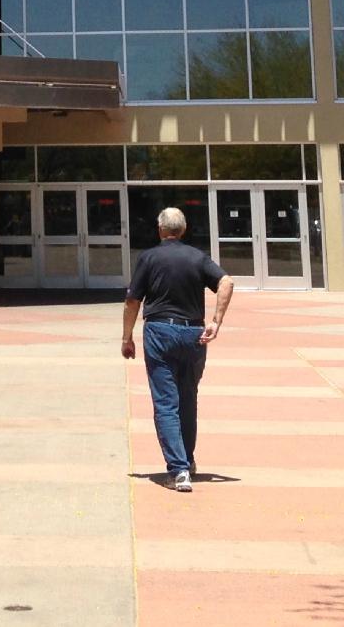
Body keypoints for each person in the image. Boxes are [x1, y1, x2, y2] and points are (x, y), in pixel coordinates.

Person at [121, 205, 234, 492]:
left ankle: (178, 470)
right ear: (183, 230)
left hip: (160, 332)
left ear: (160, 229)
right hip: (193, 333)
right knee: (187, 399)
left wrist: (127, 337)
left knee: (165, 403)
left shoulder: (149, 257)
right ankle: (187, 460)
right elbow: (226, 281)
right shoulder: (197, 257)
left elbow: (133, 300)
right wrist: (216, 321)